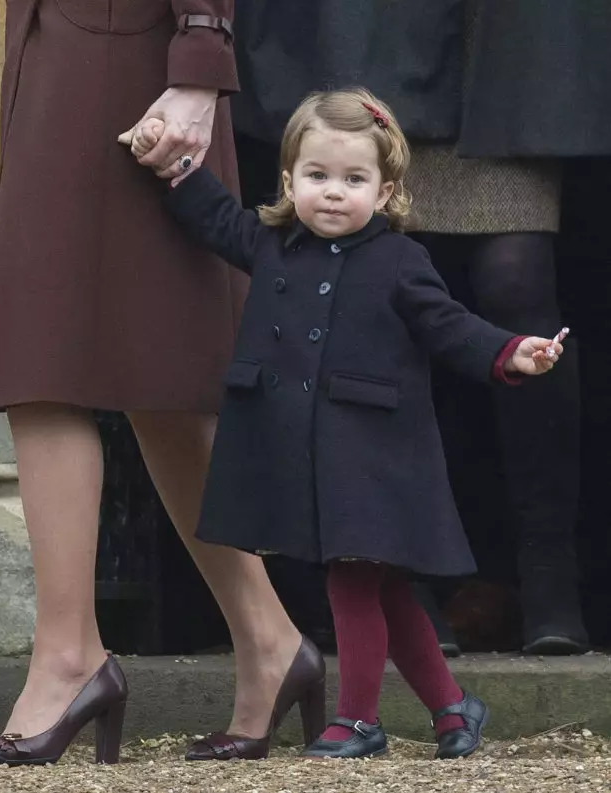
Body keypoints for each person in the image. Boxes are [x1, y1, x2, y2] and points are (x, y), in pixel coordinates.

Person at [124, 87, 566, 759]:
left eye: (354, 179)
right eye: (318, 176)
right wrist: (175, 169)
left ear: (386, 191)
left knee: (353, 582)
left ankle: (359, 716)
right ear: (289, 179)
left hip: (374, 453)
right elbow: (216, 220)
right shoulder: (274, 243)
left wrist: (509, 350)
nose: (333, 193)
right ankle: (453, 705)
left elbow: (450, 328)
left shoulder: (399, 261)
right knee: (385, 588)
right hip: (305, 452)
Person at [0, 0, 324, 767]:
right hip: (64, 48)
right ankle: (268, 638)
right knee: (146, 373)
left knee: (43, 357)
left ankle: (67, 658)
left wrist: (198, 50)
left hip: (130, 56)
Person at [228, 0, 591, 657]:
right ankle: (394, 569)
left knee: (518, 279)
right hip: (361, 38)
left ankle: (551, 571)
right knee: (363, 294)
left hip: (503, 53)